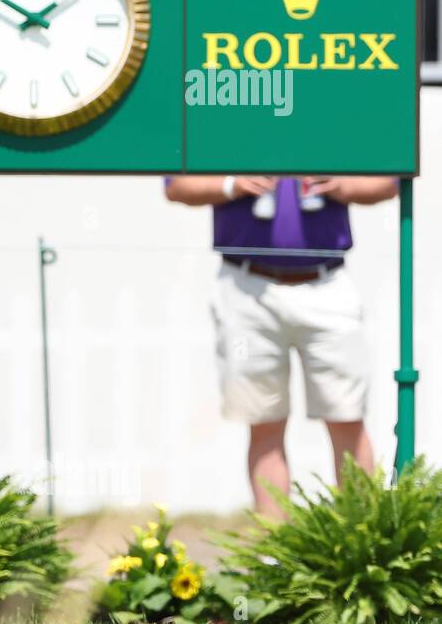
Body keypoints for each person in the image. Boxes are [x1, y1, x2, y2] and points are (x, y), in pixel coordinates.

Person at [164, 174, 396, 519]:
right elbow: (176, 185)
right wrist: (233, 184)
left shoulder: (340, 119)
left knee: (346, 415)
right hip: (245, 287)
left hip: (327, 282)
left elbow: (388, 180)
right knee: (263, 419)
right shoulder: (224, 117)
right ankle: (274, 554)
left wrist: (339, 185)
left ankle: (360, 547)